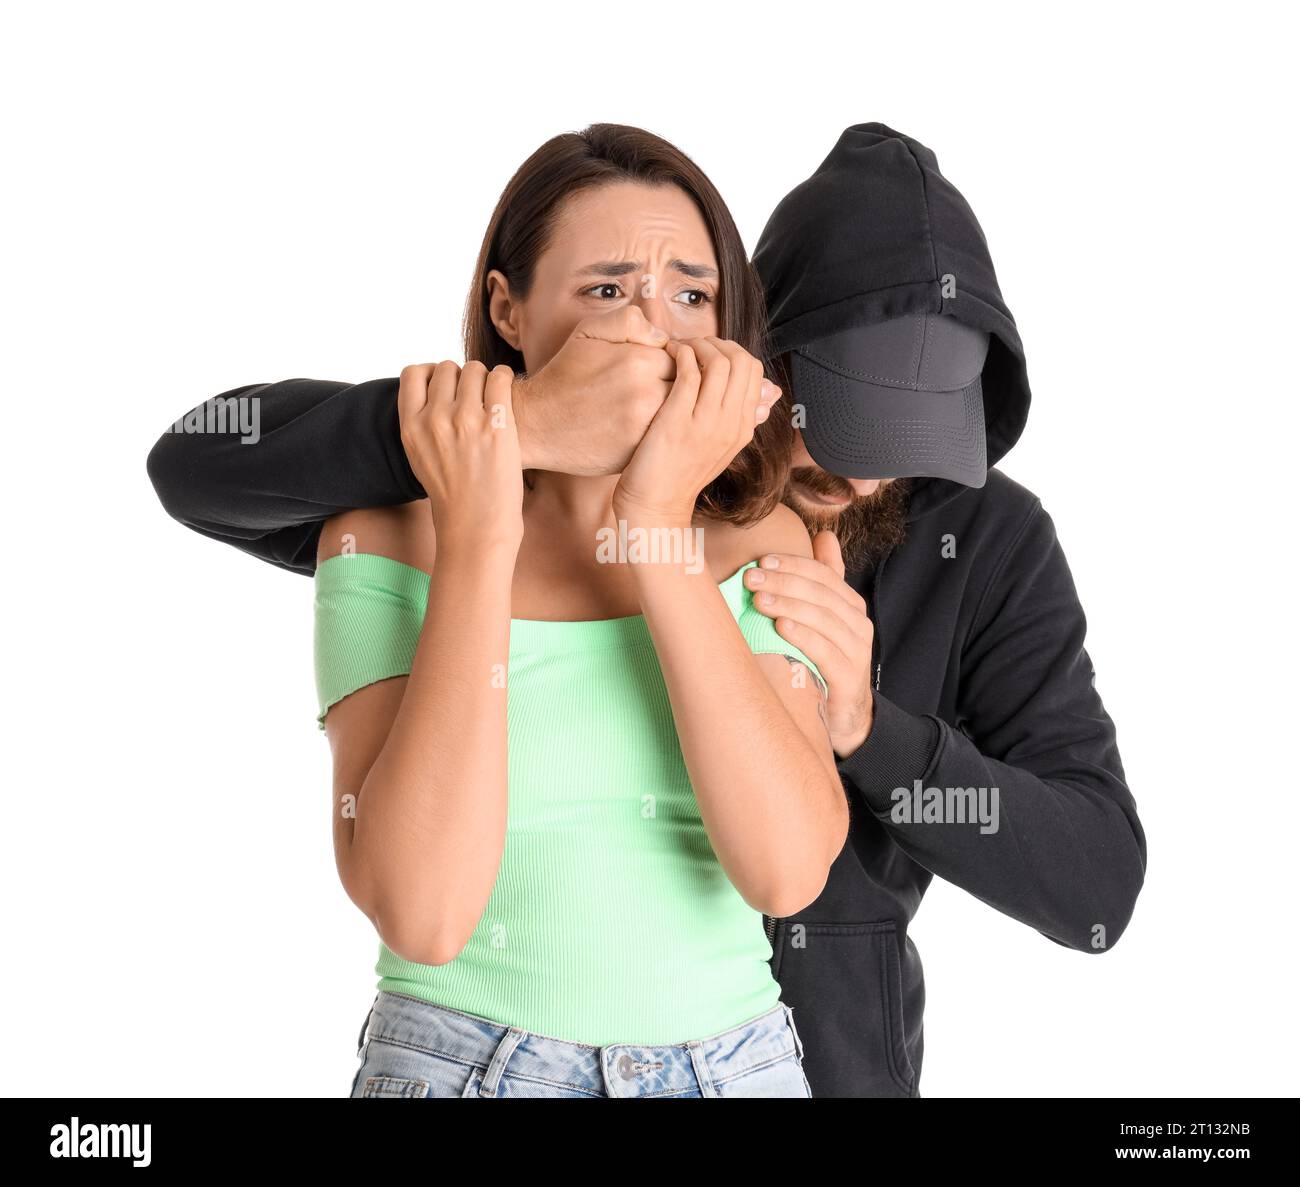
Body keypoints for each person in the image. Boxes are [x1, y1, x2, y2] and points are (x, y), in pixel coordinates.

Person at [146, 122, 1146, 1098]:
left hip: (801, 1060)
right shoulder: (425, 520)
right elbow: (206, 463)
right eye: (841, 423)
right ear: (760, 360)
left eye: (910, 439)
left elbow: (1091, 879)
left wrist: (868, 730)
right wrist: (508, 427)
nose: (865, 475)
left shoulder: (970, 541)